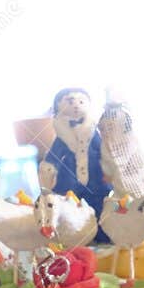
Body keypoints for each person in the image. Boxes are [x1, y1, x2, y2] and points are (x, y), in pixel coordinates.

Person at [40, 87, 110, 241]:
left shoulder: (93, 132)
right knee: (70, 207)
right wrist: (48, 174)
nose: (76, 105)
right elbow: (53, 158)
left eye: (81, 101)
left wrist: (109, 170)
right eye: (70, 101)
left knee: (99, 205)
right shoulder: (61, 136)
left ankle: (101, 235)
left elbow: (104, 153)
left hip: (95, 179)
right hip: (69, 179)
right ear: (58, 106)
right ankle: (74, 237)